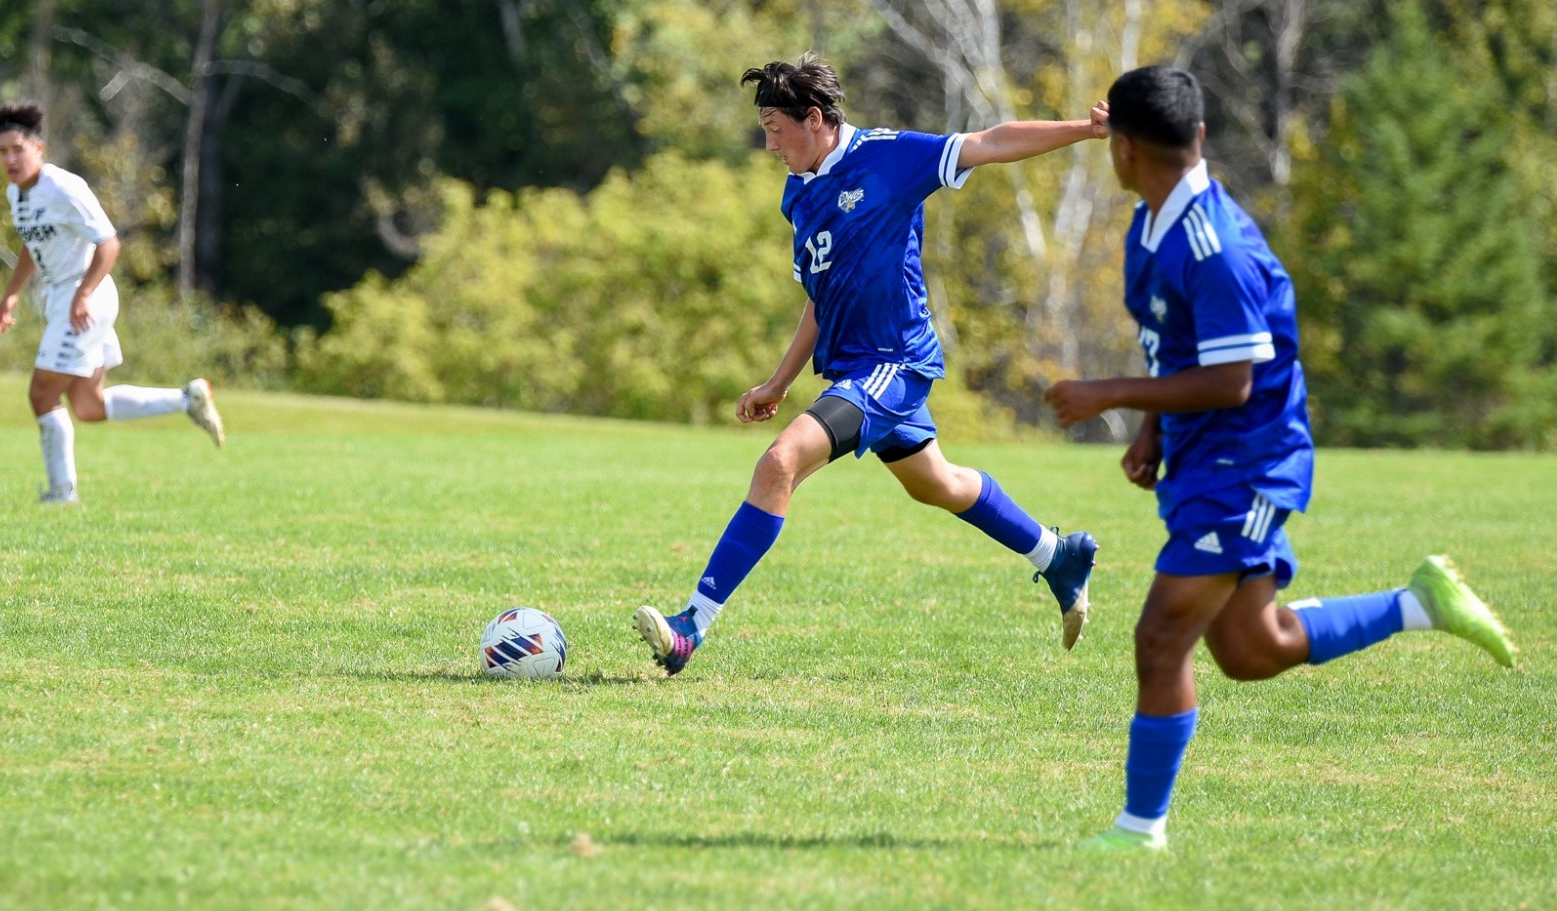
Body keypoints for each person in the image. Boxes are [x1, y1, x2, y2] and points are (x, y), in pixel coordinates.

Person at [1041, 65, 1517, 851]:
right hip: (1205, 452)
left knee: (1159, 637)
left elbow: (1232, 379)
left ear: (1121, 149)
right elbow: (1182, 347)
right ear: (1197, 135)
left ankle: (1138, 830)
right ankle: (1420, 602)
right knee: (1249, 649)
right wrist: (1152, 428)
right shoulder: (1151, 224)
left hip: (1249, 460)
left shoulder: (1215, 248)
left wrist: (1107, 393)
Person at [632, 54, 1106, 676]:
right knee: (937, 484)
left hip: (895, 363)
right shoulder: (798, 194)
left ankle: (691, 625)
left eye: (775, 129)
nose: (768, 145)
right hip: (855, 371)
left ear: (814, 118)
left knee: (780, 462)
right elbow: (820, 298)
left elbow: (990, 143)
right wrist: (778, 382)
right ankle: (1056, 554)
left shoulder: (890, 156)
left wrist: (1086, 129)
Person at [0, 101, 225, 504]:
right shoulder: (16, 194)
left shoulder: (63, 187)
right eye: (3, 151)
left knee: (41, 395)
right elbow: (31, 244)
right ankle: (187, 399)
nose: (10, 159)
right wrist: (11, 293)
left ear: (38, 148)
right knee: (88, 405)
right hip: (64, 297)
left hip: (84, 296)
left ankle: (61, 494)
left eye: (18, 149)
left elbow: (109, 243)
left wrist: (82, 295)